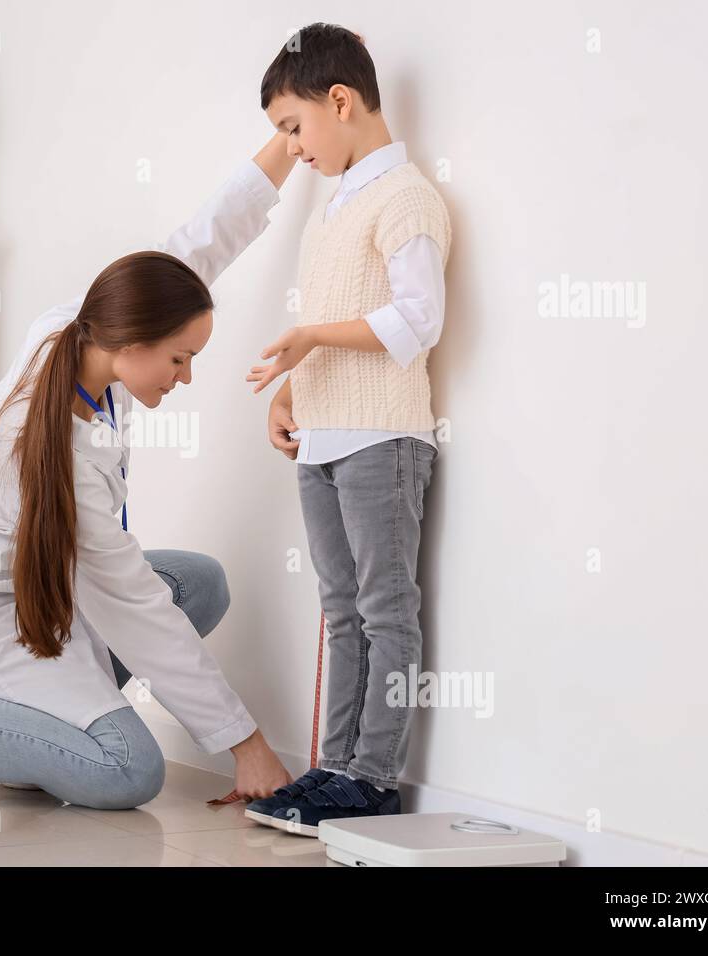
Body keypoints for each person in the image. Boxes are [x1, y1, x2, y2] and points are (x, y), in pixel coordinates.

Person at [0, 134, 298, 810]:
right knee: (129, 770)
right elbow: (131, 604)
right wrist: (245, 742)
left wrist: (282, 146)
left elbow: (194, 249)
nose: (186, 377)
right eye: (180, 359)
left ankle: (32, 734)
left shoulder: (85, 329)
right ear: (133, 344)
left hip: (41, 590)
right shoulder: (46, 455)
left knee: (199, 583)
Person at [243, 23, 452, 835]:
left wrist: (310, 342)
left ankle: (374, 777)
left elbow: (417, 319)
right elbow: (337, 318)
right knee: (341, 610)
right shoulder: (334, 207)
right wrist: (295, 385)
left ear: (341, 100)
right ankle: (331, 769)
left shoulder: (408, 197)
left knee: (383, 606)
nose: (291, 147)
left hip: (383, 437)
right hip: (326, 435)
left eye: (294, 126)